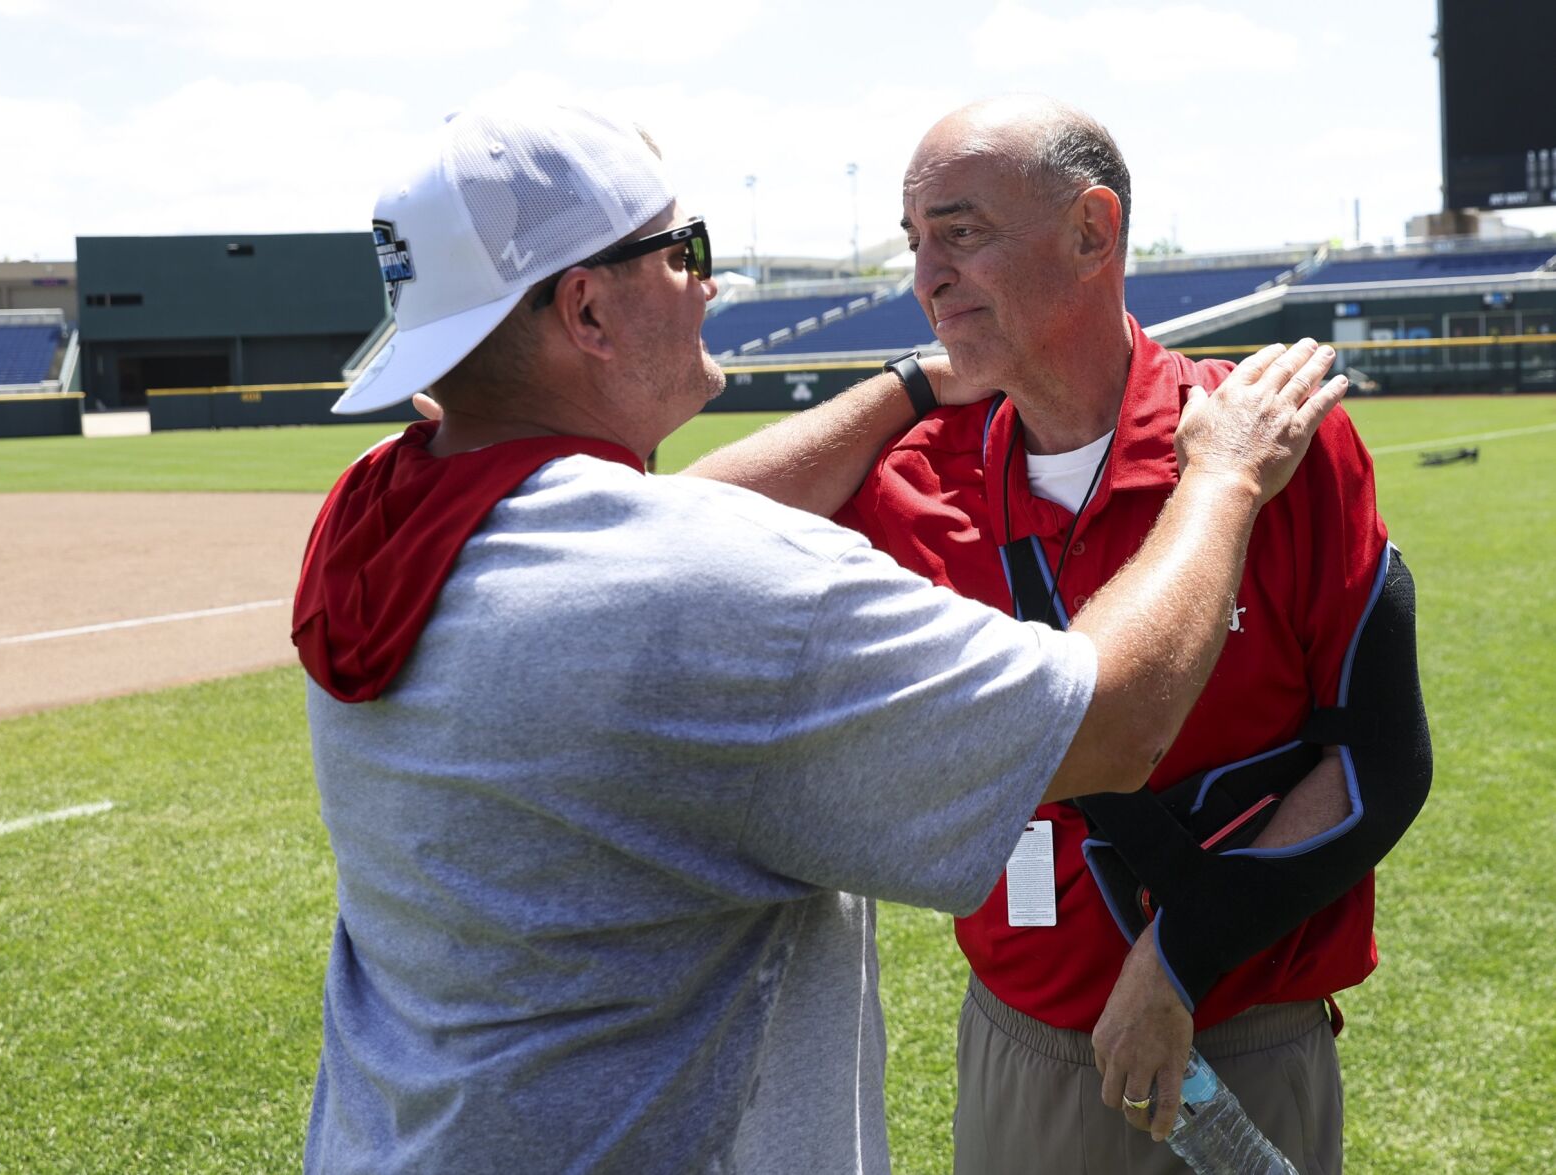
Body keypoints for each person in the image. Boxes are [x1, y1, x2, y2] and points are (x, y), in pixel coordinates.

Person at [292, 101, 1347, 1174]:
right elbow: (1111, 718)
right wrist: (1218, 476)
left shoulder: (379, 515)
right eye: (680, 250)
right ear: (588, 311)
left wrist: (912, 382)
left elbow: (660, 514)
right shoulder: (694, 588)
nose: (707, 284)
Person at [687, 95, 1432, 1173]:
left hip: (1244, 1033)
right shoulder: (915, 471)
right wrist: (906, 383)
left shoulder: (1266, 440)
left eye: (960, 232)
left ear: (1092, 230)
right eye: (914, 244)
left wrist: (1178, 957)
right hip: (1020, 1038)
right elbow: (682, 535)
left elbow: (1376, 759)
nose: (923, 276)